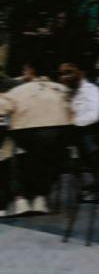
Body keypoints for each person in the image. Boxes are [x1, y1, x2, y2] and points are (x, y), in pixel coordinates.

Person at [0, 64, 76, 216]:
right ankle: (39, 198)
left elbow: (2, 109)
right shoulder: (61, 89)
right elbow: (73, 112)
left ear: (29, 71)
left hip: (28, 135)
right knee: (39, 156)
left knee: (11, 152)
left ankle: (19, 199)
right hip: (60, 137)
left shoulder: (17, 90)